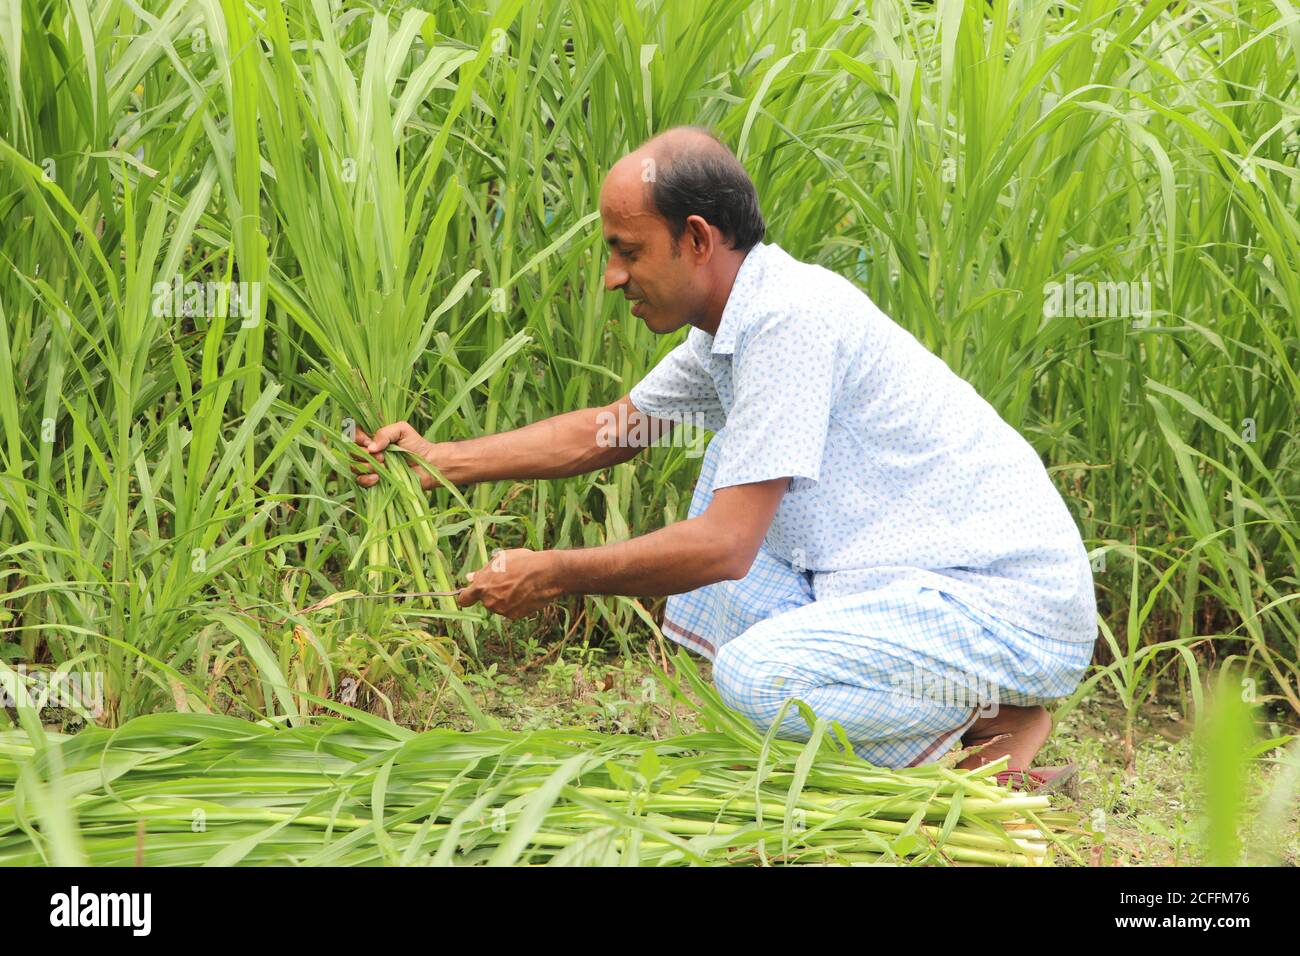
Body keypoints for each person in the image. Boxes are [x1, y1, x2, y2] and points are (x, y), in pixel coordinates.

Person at [352, 126, 1097, 787]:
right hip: (907, 579)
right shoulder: (729, 330)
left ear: (699, 240)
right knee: (724, 480)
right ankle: (968, 723)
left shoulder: (790, 320)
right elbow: (612, 430)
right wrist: (440, 460)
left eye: (628, 251)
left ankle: (981, 738)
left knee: (757, 677)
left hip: (1004, 604)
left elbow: (724, 547)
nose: (612, 277)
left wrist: (554, 573)